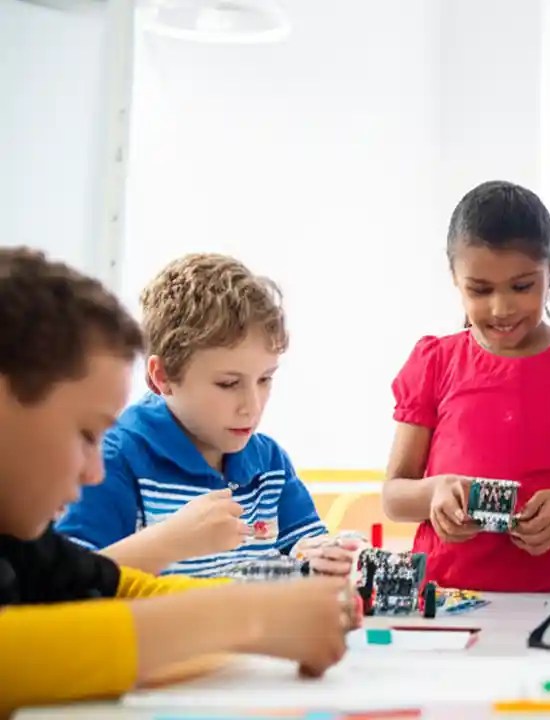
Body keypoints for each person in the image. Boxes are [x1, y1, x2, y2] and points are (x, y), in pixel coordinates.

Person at [0, 248, 351, 712]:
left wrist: (280, 610)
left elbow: (106, 586)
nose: (95, 471)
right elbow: (19, 654)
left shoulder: (23, 547)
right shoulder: (127, 455)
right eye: (86, 434)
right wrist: (250, 617)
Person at [381, 180, 550, 592]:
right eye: (480, 290)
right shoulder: (435, 364)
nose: (501, 309)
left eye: (521, 286)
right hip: (444, 596)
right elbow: (393, 496)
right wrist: (435, 493)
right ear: (454, 278)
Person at [56, 253, 352, 578]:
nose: (251, 405)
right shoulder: (114, 459)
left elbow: (302, 547)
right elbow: (71, 585)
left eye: (265, 379)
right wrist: (169, 541)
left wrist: (324, 556)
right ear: (163, 376)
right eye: (228, 384)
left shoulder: (269, 464)